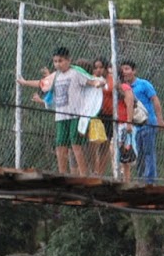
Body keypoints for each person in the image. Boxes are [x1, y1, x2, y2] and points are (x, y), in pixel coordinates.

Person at [18, 47, 105, 175]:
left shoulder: (76, 73)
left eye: (61, 61)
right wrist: (25, 82)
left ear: (69, 60)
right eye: (55, 61)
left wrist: (98, 83)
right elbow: (43, 83)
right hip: (61, 116)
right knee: (60, 145)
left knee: (76, 145)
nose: (58, 64)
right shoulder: (56, 76)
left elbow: (90, 81)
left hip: (75, 115)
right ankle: (62, 173)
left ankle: (83, 174)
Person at [118, 61, 160, 184]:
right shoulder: (121, 88)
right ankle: (140, 179)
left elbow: (155, 100)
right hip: (132, 126)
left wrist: (160, 120)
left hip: (147, 123)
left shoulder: (143, 84)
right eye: (123, 69)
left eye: (127, 68)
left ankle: (150, 181)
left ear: (134, 70)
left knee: (148, 152)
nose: (125, 72)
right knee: (136, 153)